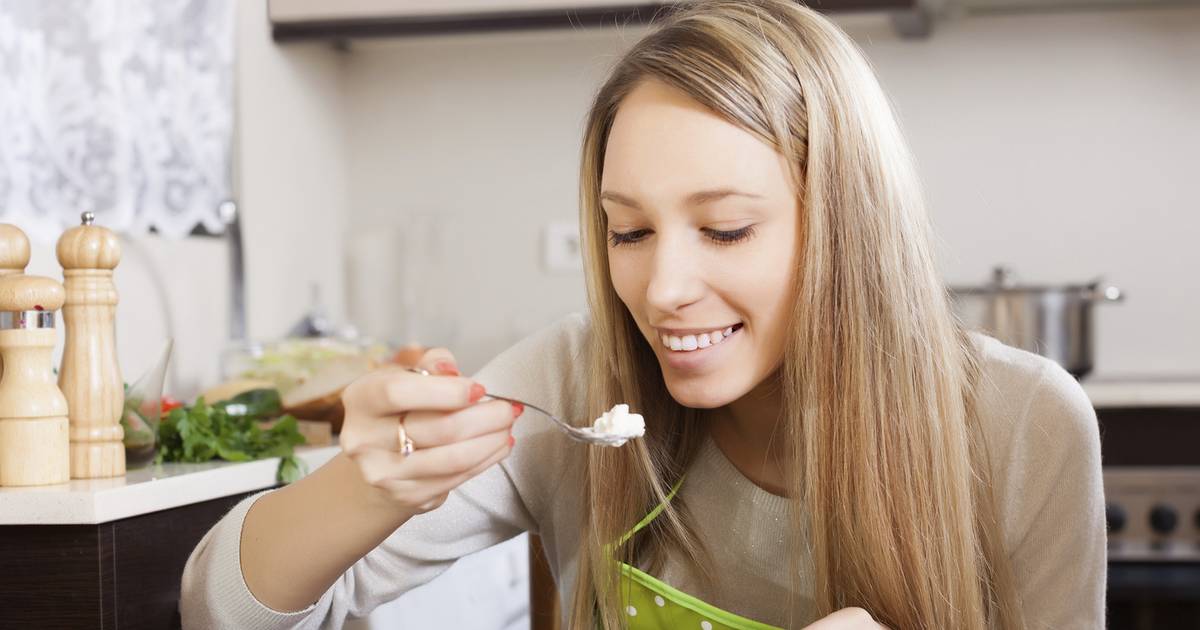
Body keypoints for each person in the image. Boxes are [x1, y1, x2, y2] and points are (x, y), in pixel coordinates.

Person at [180, 1, 1105, 628]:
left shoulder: (1022, 425)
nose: (662, 290)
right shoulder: (578, 383)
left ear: (845, 230)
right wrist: (366, 487)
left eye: (726, 229)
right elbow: (219, 608)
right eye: (628, 231)